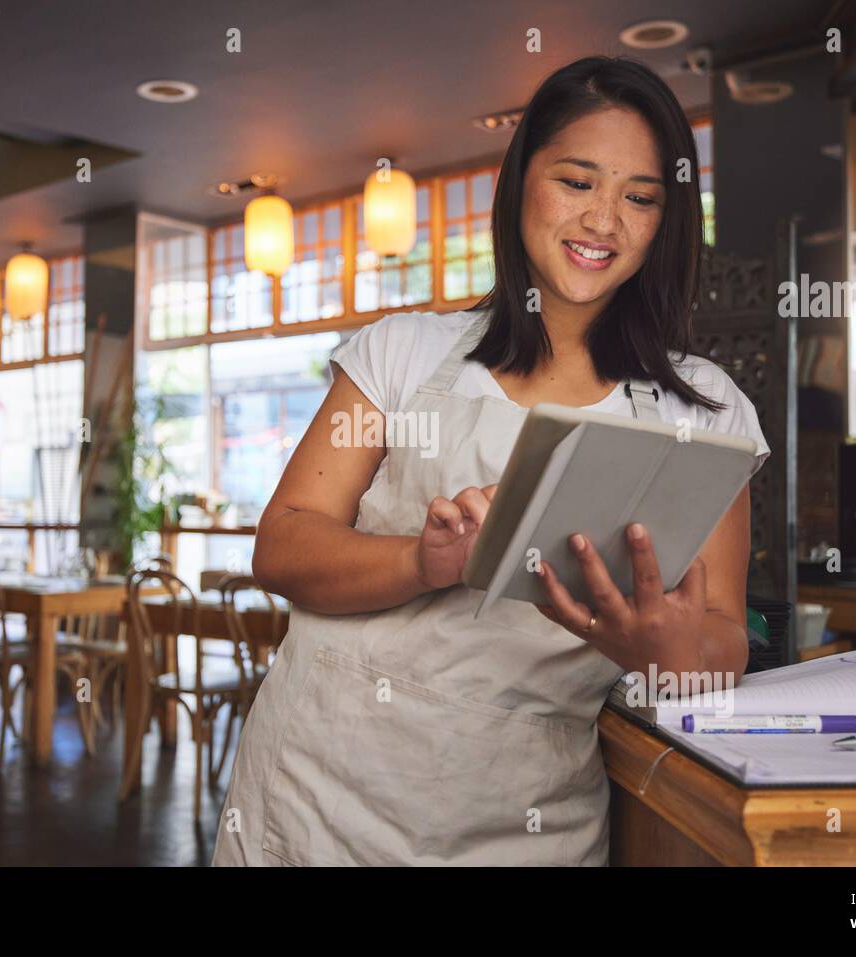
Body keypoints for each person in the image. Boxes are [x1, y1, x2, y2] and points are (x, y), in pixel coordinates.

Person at [212, 55, 769, 866]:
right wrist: (423, 558)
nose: (604, 221)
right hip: (315, 798)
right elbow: (284, 544)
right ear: (521, 184)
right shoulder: (401, 353)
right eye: (577, 182)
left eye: (640, 197)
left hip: (521, 818)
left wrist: (654, 642)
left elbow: (723, 643)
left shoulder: (706, 411)